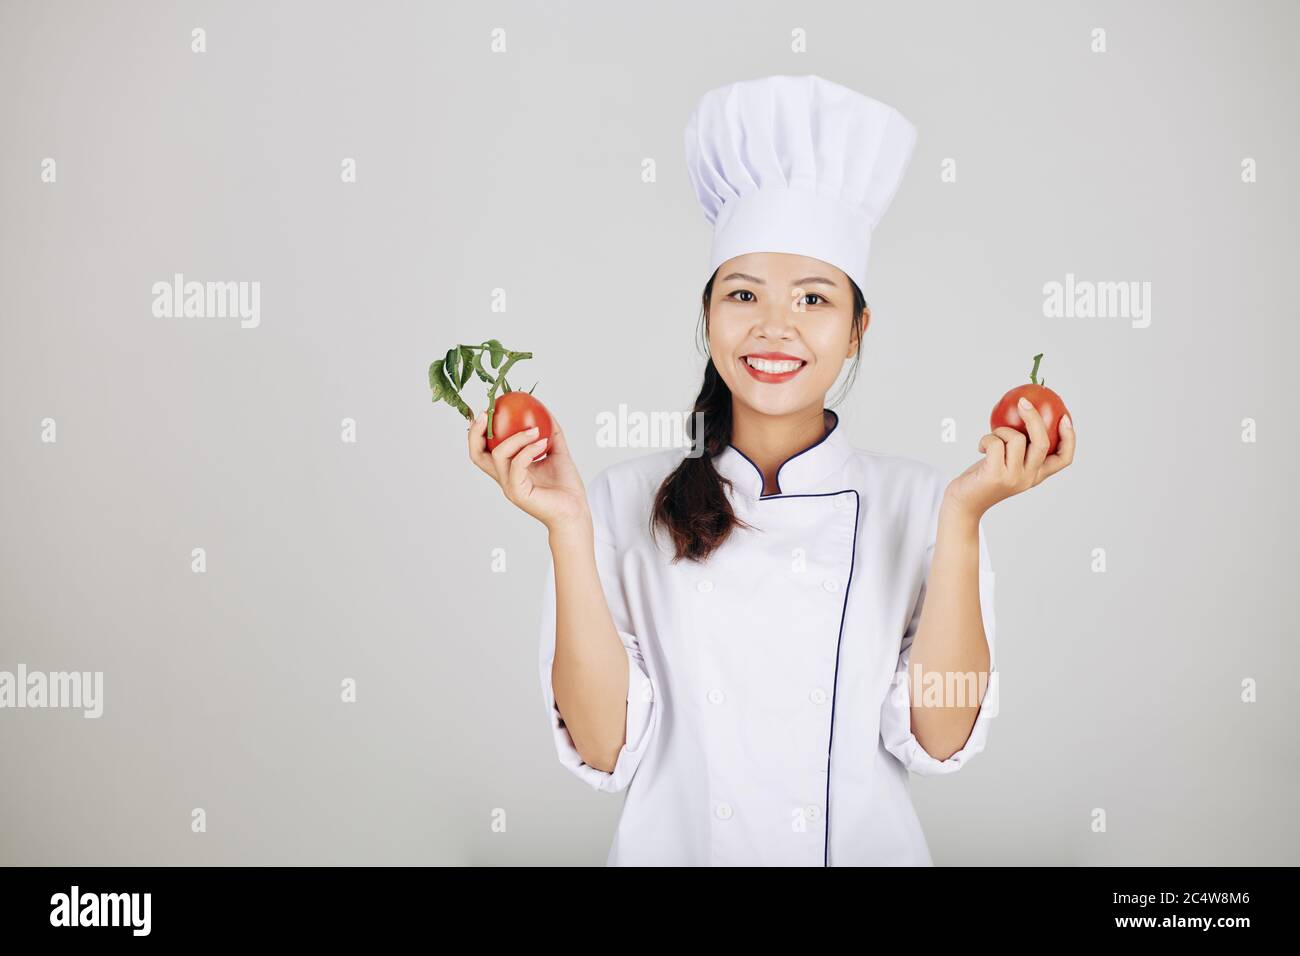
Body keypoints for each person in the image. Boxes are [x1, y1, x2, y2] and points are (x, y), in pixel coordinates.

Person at [467, 74, 1076, 865]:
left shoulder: (925, 503)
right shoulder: (615, 501)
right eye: (744, 293)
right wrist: (567, 527)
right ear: (709, 312)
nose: (774, 328)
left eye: (815, 300)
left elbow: (941, 731)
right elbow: (603, 745)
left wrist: (965, 517)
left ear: (858, 329)